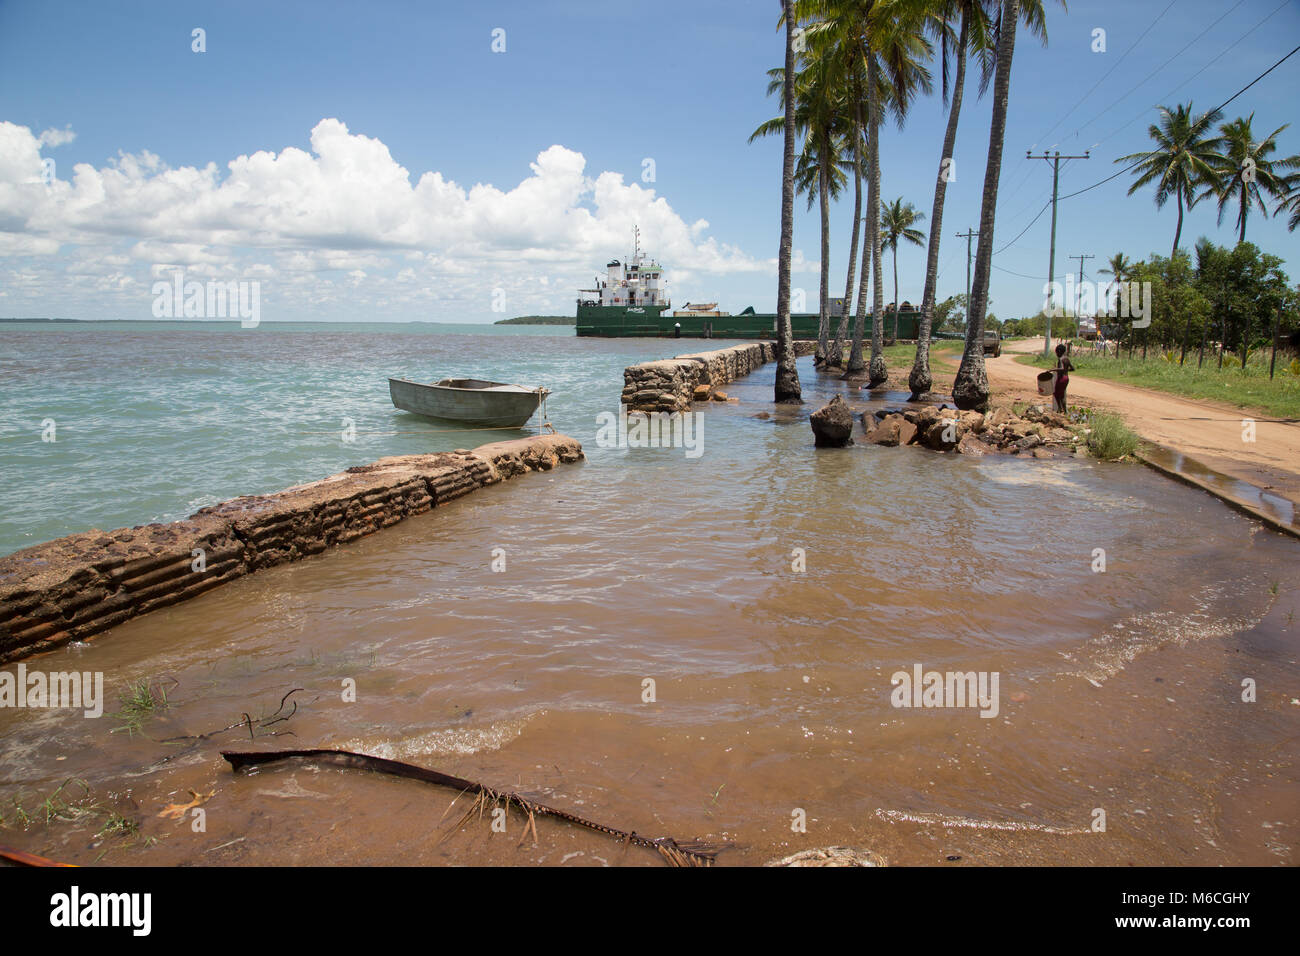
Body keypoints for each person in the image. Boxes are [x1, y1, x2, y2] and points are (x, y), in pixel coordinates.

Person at [1053, 342, 1074, 414]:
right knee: (1061, 395)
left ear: (1059, 352)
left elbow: (1061, 368)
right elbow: (1072, 369)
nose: (1056, 354)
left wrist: (1053, 369)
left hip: (1061, 378)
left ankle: (1061, 409)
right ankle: (1063, 410)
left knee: (1056, 394)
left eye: (1056, 353)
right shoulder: (1067, 359)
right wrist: (1066, 370)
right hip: (1066, 378)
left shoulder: (1061, 359)